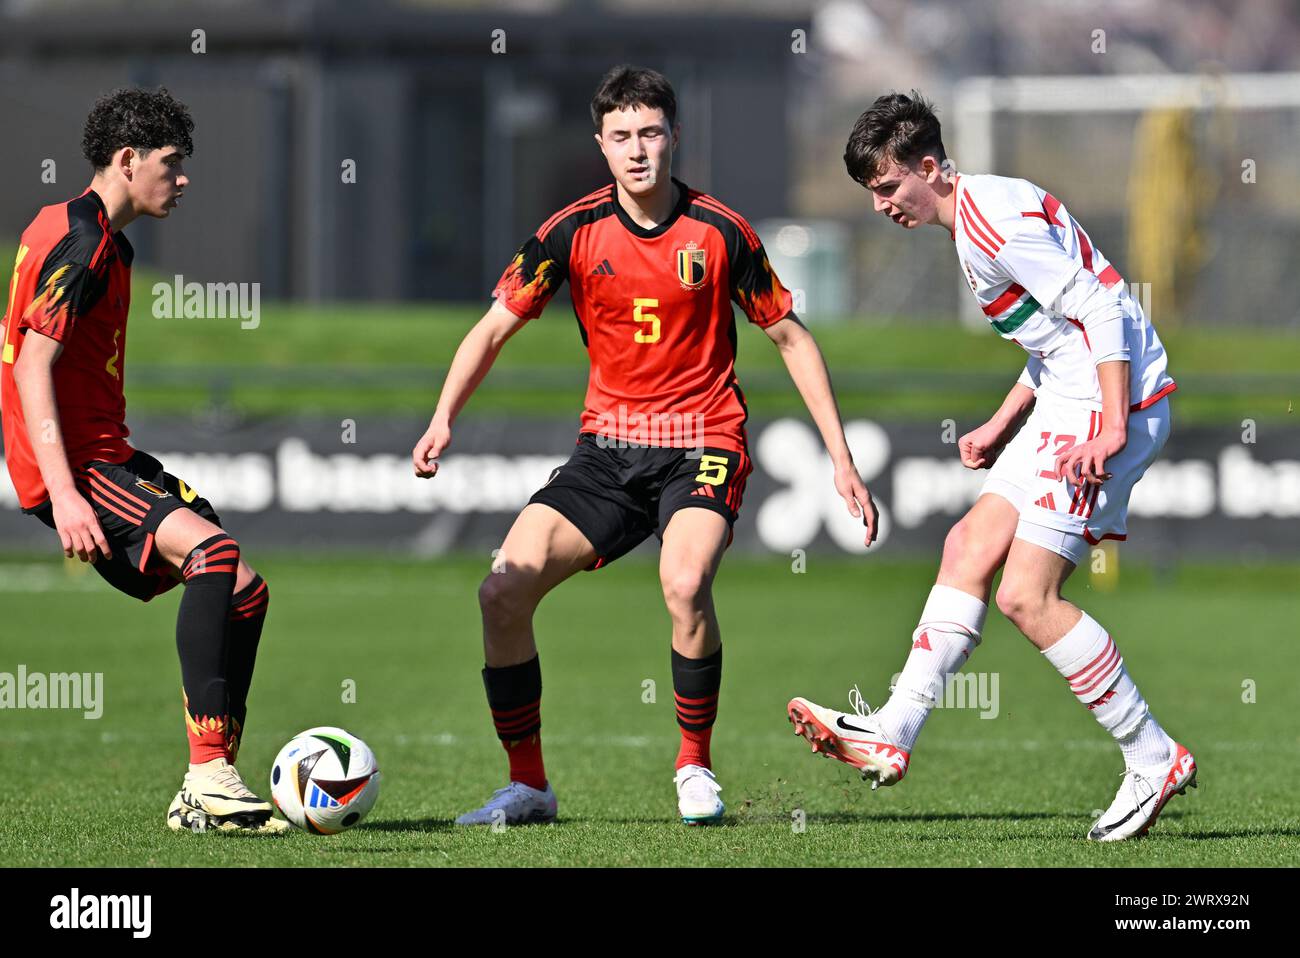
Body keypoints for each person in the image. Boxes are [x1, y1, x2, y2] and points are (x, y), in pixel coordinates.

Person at [412, 65, 877, 826]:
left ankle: (694, 766)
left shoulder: (722, 231)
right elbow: (495, 325)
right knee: (501, 593)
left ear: (674, 137)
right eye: (621, 136)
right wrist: (443, 418)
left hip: (703, 442)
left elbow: (791, 337)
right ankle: (529, 785)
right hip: (606, 452)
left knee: (685, 583)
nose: (637, 150)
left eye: (651, 133)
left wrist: (842, 459)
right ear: (600, 145)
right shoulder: (571, 231)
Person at [787, 91, 1195, 842]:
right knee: (967, 548)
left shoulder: (989, 222)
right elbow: (1055, 339)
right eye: (871, 192)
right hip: (1075, 397)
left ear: (930, 168)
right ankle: (894, 730)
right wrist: (1003, 423)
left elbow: (1103, 312)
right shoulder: (983, 209)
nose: (881, 205)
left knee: (1027, 598)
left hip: (1112, 405)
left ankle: (1152, 754)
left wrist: (1107, 428)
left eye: (886, 187)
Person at [0, 88, 283, 834]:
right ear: (128, 160)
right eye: (172, 163)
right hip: (81, 466)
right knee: (214, 552)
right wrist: (63, 494)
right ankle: (209, 775)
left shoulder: (65, 225)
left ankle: (210, 783)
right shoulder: (85, 243)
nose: (182, 179)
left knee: (243, 590)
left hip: (107, 454)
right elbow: (32, 367)